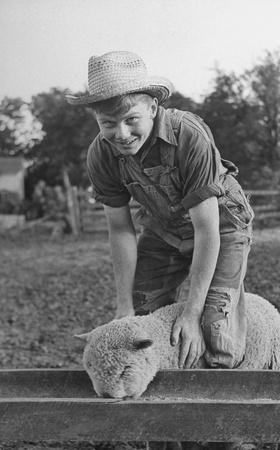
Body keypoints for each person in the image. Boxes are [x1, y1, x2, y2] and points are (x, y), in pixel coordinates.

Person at [67, 51, 254, 370]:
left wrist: (192, 313)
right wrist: (124, 304)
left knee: (216, 335)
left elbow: (207, 229)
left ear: (153, 108)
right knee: (139, 321)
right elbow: (121, 229)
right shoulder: (101, 154)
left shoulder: (188, 135)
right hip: (164, 230)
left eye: (131, 120)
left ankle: (226, 339)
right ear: (97, 120)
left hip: (220, 228)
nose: (121, 134)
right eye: (108, 124)